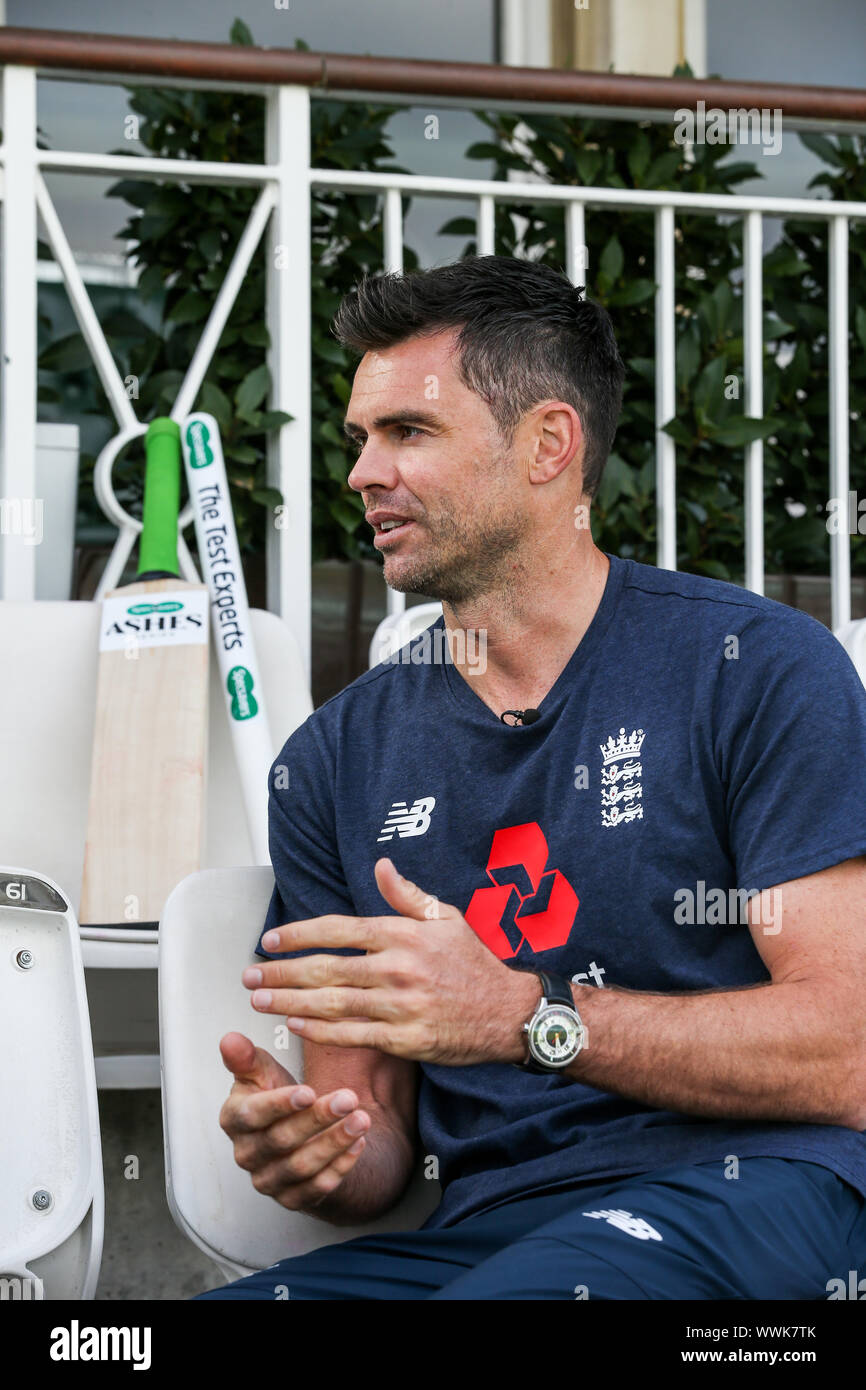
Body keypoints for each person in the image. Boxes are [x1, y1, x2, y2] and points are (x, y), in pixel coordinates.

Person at [197, 255, 866, 1300]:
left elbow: (847, 1052)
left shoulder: (754, 669)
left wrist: (526, 1017)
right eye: (360, 438)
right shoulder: (330, 763)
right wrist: (318, 1149)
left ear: (548, 444)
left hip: (762, 1192)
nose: (362, 472)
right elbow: (371, 1132)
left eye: (407, 431)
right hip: (492, 1235)